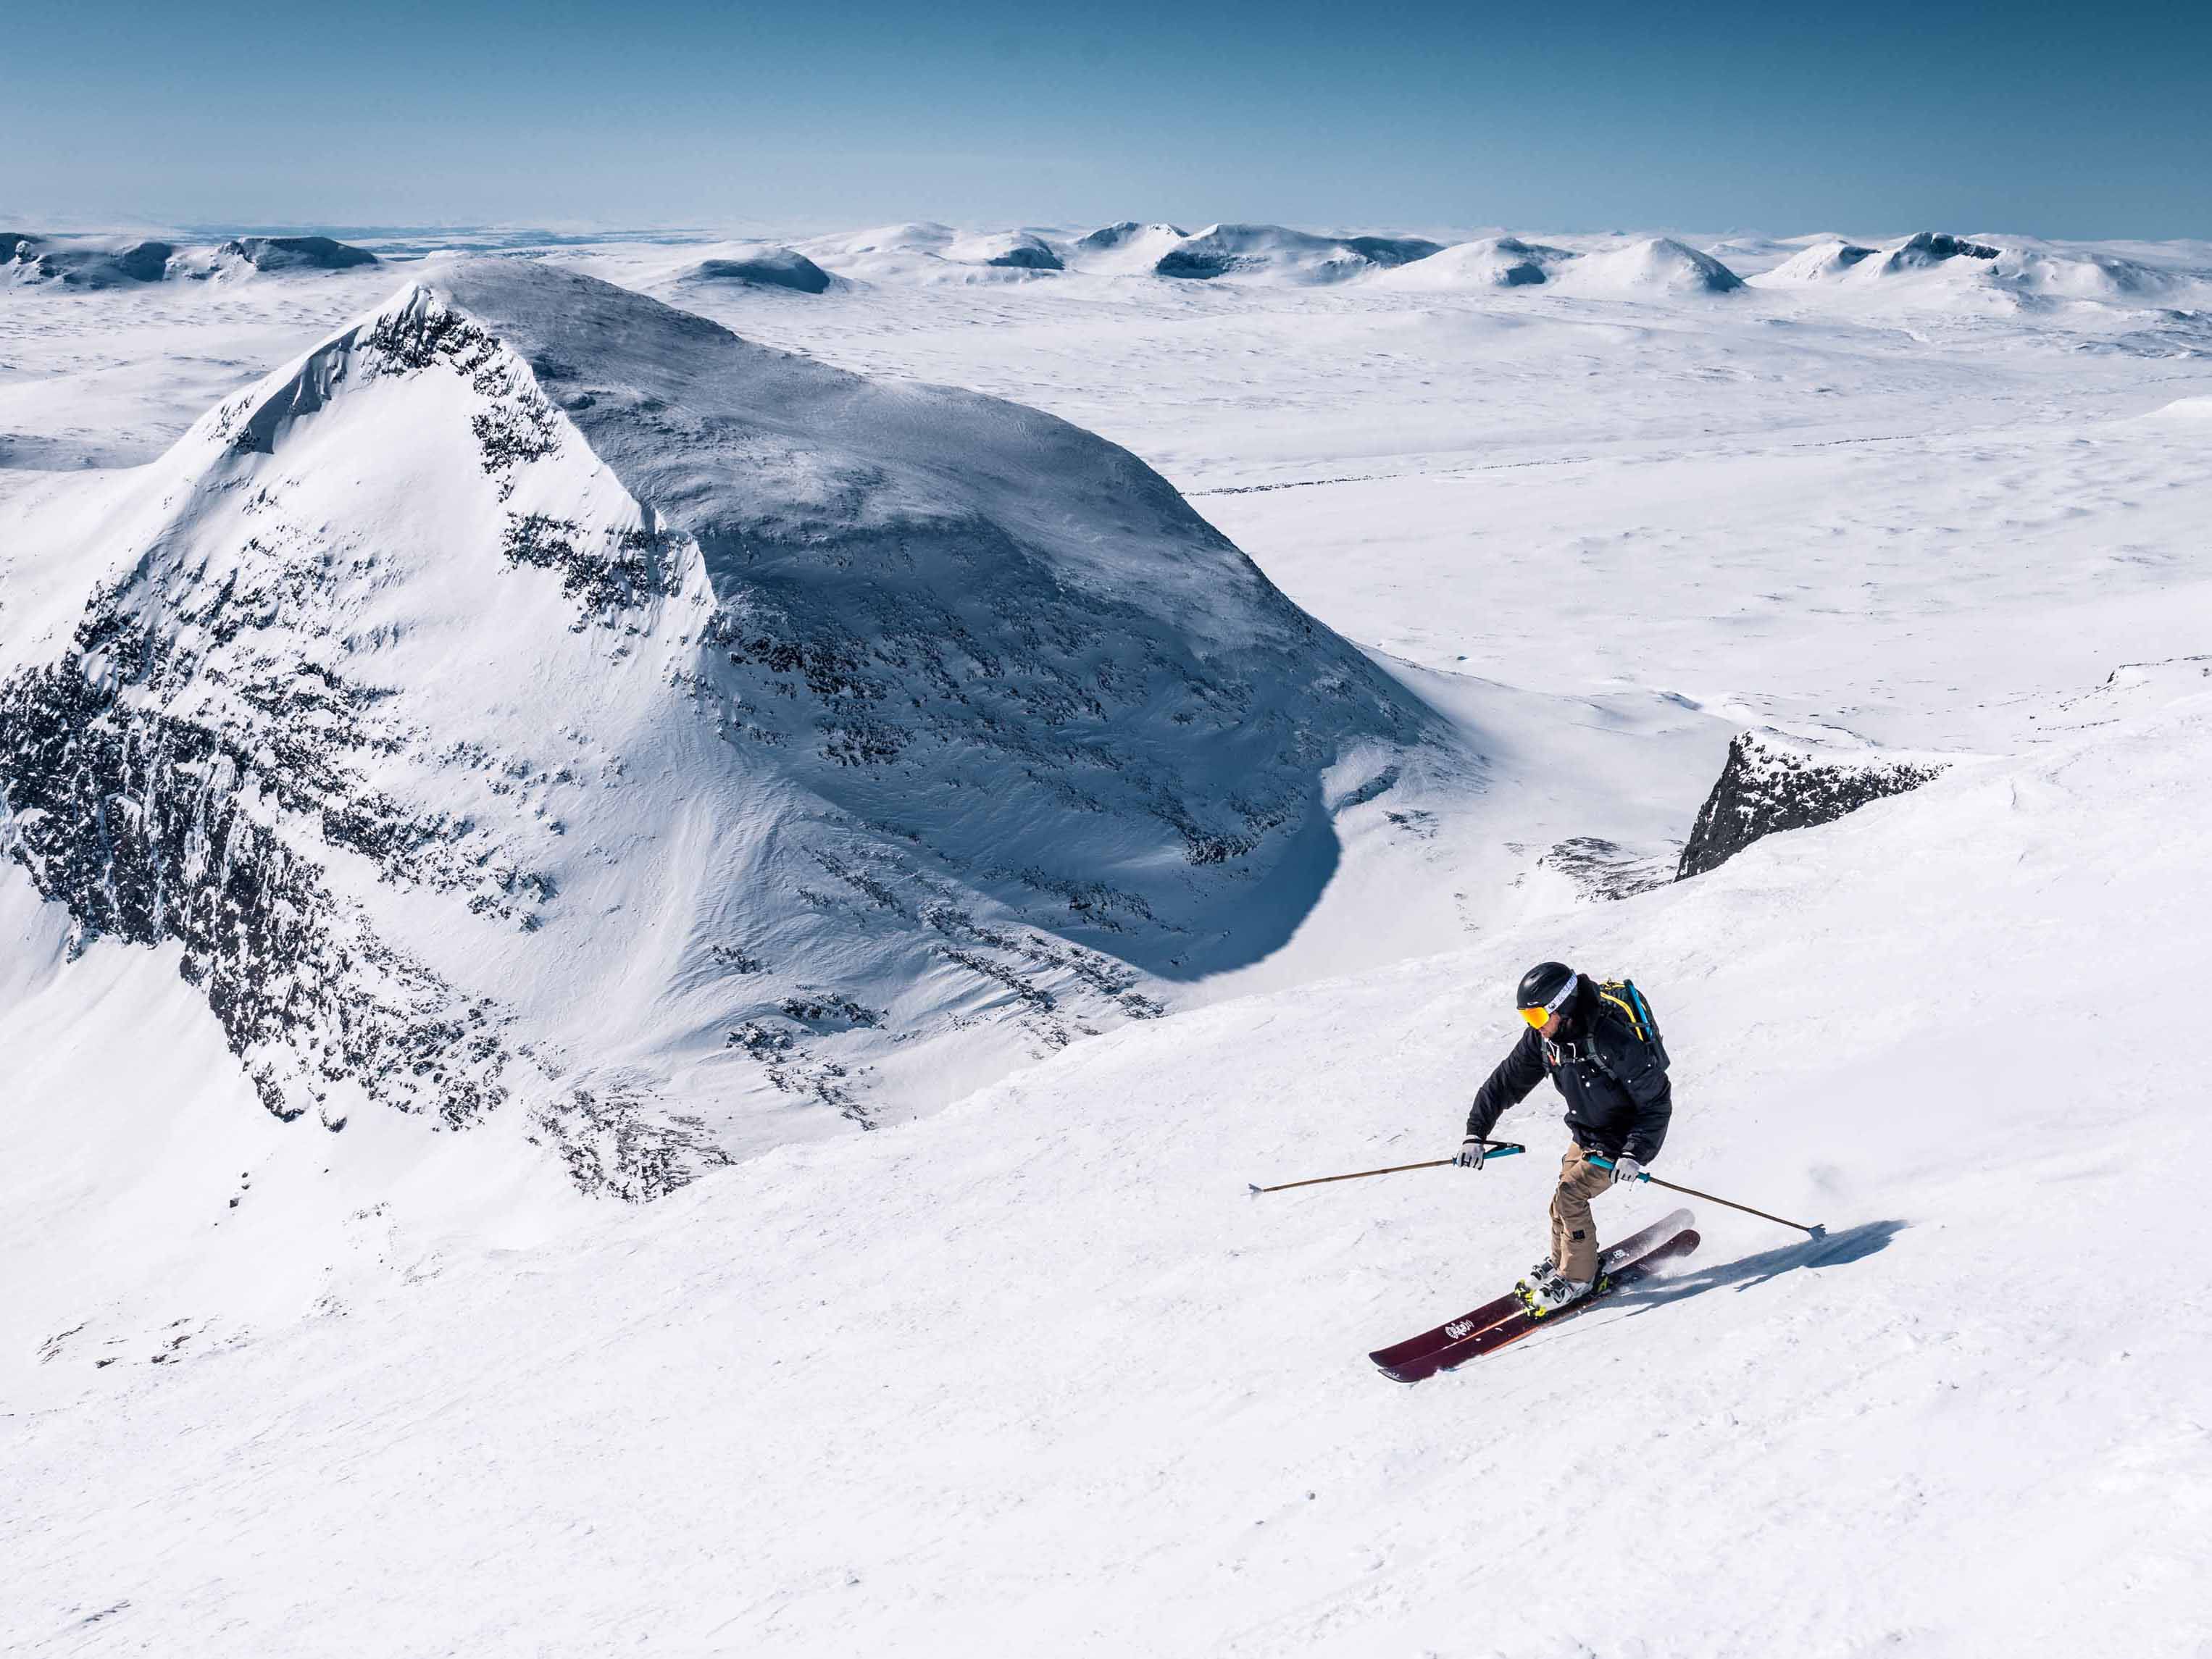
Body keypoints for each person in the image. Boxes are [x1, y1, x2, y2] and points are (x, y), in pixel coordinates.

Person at [1455, 961, 1671, 1316]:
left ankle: (1578, 1278)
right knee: (1561, 1196)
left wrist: (1635, 1153)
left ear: (1563, 1007)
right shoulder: (1547, 1042)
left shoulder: (1610, 1039)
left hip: (1621, 1140)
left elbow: (1657, 1100)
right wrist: (1475, 1132)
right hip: (1587, 1132)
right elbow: (1504, 1083)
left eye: (1539, 1018)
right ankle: (1562, 1261)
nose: (1535, 1028)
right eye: (1529, 1019)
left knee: (1571, 1196)